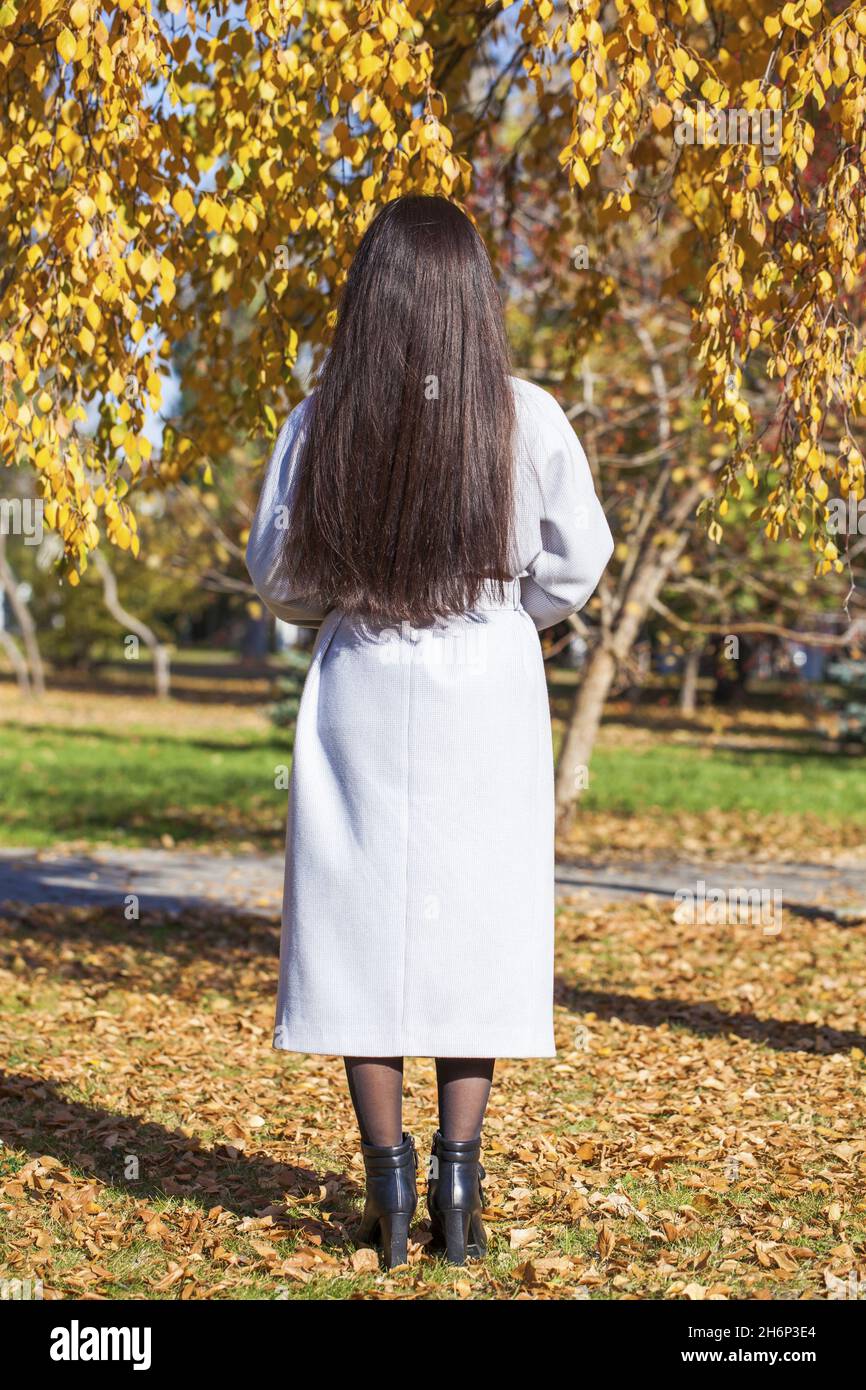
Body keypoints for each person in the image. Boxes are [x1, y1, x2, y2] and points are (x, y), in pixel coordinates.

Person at [246, 194, 613, 1268]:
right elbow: (574, 562)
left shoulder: (321, 421)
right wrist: (510, 618)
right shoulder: (526, 415)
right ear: (472, 301)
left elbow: (279, 578)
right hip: (485, 686)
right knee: (475, 934)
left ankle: (386, 1189)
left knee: (360, 923)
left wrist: (352, 597)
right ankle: (459, 1191)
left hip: (362, 675)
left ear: (368, 301)